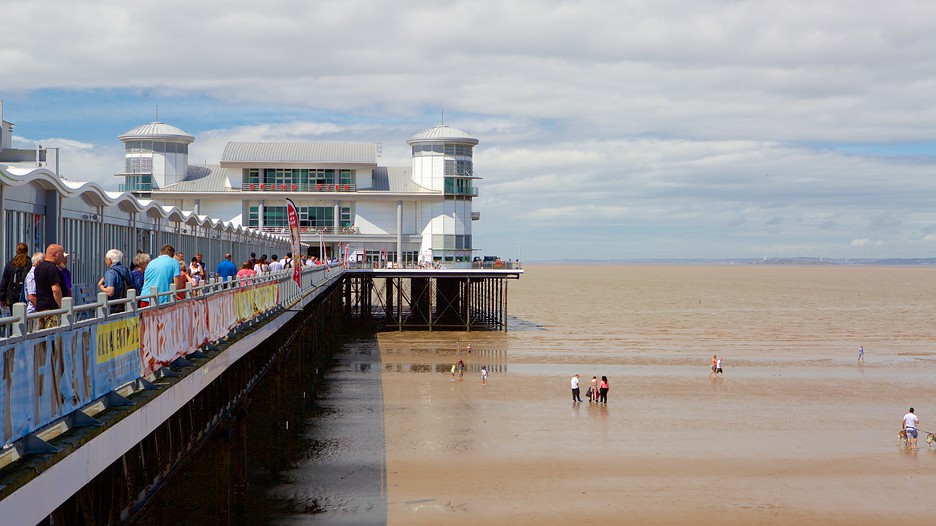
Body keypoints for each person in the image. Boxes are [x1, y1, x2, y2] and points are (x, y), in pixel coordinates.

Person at [34, 244, 66, 329]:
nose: (63, 257)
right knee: (53, 338)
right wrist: (62, 308)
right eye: (61, 255)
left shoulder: (38, 268)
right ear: (55, 255)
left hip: (40, 308)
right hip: (51, 309)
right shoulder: (52, 268)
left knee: (41, 338)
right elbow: (55, 290)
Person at [98, 249, 134, 313]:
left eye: (106, 259)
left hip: (115, 307)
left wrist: (100, 285)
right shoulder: (128, 270)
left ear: (110, 260)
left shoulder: (111, 272)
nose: (105, 261)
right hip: (128, 305)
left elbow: (110, 292)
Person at [0, 242, 31, 313]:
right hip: (26, 295)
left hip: (12, 296)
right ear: (27, 251)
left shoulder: (10, 264)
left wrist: (2, 298)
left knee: (14, 317)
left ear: (16, 251)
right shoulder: (30, 263)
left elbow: (5, 281)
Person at [24, 252, 44, 317]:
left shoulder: (37, 273)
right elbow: (32, 297)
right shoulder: (32, 275)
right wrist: (40, 310)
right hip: (33, 312)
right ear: (39, 262)